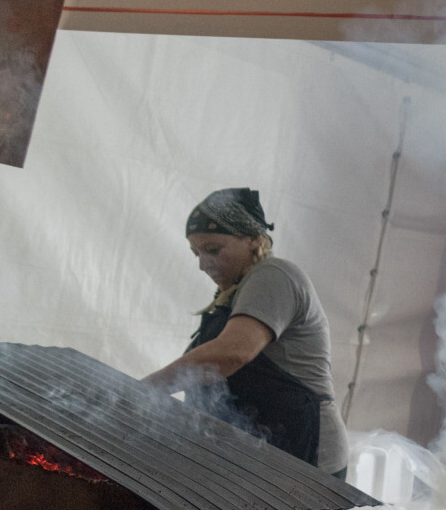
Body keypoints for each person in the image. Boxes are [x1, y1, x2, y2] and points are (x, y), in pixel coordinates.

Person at [144, 188, 348, 473]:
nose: (203, 264)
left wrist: (143, 391)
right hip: (256, 455)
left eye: (213, 249)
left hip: (302, 456)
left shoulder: (274, 275)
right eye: (197, 253)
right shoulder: (236, 296)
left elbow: (233, 352)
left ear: (252, 238)